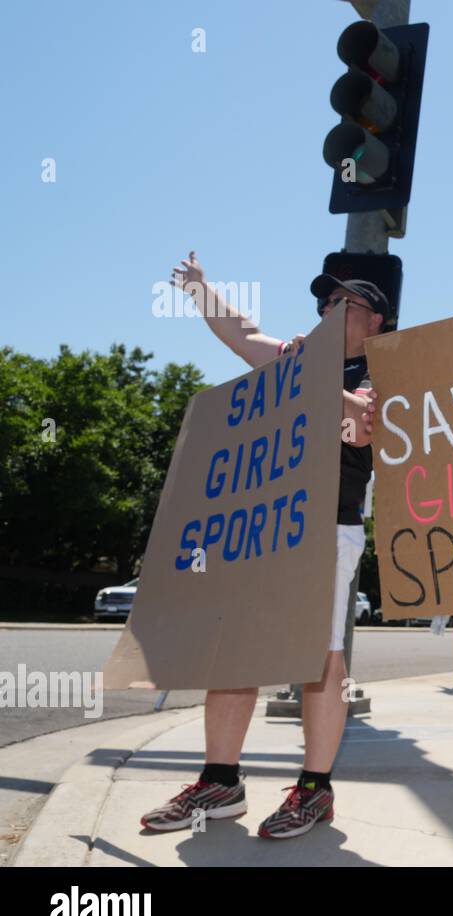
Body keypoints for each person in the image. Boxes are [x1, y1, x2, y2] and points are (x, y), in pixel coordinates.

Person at [140, 252, 383, 840]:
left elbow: (364, 425)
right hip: (264, 528)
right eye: (325, 300)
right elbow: (242, 333)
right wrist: (200, 290)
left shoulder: (385, 372)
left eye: (344, 302)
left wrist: (312, 373)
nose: (329, 308)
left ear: (375, 320)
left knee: (321, 657)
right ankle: (220, 779)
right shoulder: (295, 358)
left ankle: (315, 790)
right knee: (236, 649)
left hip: (327, 527)